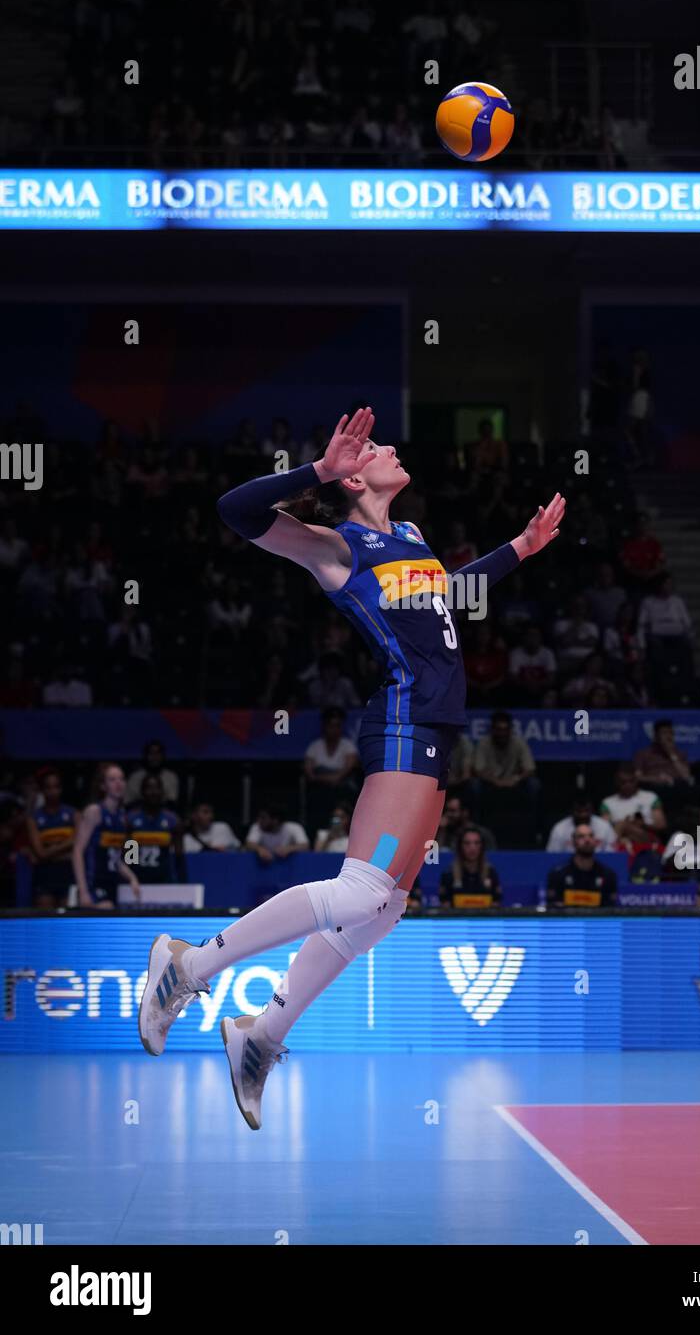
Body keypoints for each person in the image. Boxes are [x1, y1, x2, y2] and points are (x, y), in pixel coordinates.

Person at [138, 406, 564, 1127]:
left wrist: (518, 547)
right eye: (378, 447)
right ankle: (188, 965)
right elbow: (233, 510)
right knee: (360, 890)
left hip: (435, 734)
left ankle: (259, 1036)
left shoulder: (411, 538)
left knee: (384, 910)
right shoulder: (338, 548)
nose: (393, 448)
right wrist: (315, 471)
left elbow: (448, 600)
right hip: (399, 724)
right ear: (355, 475)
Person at [71, 763, 140, 909]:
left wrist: (132, 877)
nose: (118, 783)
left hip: (112, 884)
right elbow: (77, 851)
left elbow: (117, 859)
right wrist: (83, 891)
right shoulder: (94, 812)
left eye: (121, 779)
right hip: (93, 884)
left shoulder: (123, 818)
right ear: (103, 786)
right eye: (112, 779)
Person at [25, 768, 79, 908]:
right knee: (45, 921)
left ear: (61, 789)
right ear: (42, 790)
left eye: (56, 787)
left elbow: (79, 845)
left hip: (69, 874)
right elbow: (40, 853)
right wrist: (68, 846)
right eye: (48, 787)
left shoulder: (73, 814)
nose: (52, 791)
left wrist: (50, 853)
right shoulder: (34, 819)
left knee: (69, 922)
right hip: (45, 877)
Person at [128, 774, 184, 884]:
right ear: (142, 792)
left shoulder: (172, 820)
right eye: (149, 788)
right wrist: (130, 879)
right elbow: (129, 858)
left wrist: (182, 883)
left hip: (164, 880)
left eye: (157, 788)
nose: (153, 792)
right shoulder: (132, 820)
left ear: (162, 792)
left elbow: (178, 857)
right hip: (138, 881)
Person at [547, 823, 618, 907]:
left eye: (591, 836)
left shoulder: (608, 875)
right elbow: (554, 908)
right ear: (573, 842)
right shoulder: (558, 874)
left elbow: (610, 909)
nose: (587, 840)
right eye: (581, 836)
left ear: (595, 842)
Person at [438, 826, 501, 908]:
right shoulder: (449, 873)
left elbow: (496, 903)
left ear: (482, 846)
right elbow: (445, 904)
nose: (472, 847)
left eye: (477, 843)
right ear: (460, 846)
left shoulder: (490, 872)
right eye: (467, 843)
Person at [600, 763, 666, 836]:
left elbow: (661, 825)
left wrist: (643, 825)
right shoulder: (607, 803)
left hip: (646, 835)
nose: (628, 785)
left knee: (624, 825)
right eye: (623, 782)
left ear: (636, 780)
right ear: (617, 782)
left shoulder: (651, 797)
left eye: (631, 781)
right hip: (620, 837)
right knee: (621, 825)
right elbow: (604, 828)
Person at [546, 796, 617, 854]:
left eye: (586, 811)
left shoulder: (604, 827)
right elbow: (552, 856)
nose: (583, 815)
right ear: (571, 811)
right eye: (579, 811)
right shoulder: (559, 829)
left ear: (592, 811)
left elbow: (612, 855)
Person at [124, 740, 180, 807]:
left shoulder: (171, 777)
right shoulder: (135, 777)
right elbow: (128, 803)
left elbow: (171, 802)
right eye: (151, 753)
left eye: (157, 753)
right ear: (145, 756)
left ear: (163, 756)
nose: (154, 757)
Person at [245, 806, 309, 862]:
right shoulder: (257, 826)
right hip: (263, 867)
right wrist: (260, 849)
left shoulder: (294, 827)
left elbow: (305, 845)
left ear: (275, 820)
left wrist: (289, 849)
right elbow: (249, 843)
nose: (259, 820)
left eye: (263, 818)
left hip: (288, 867)